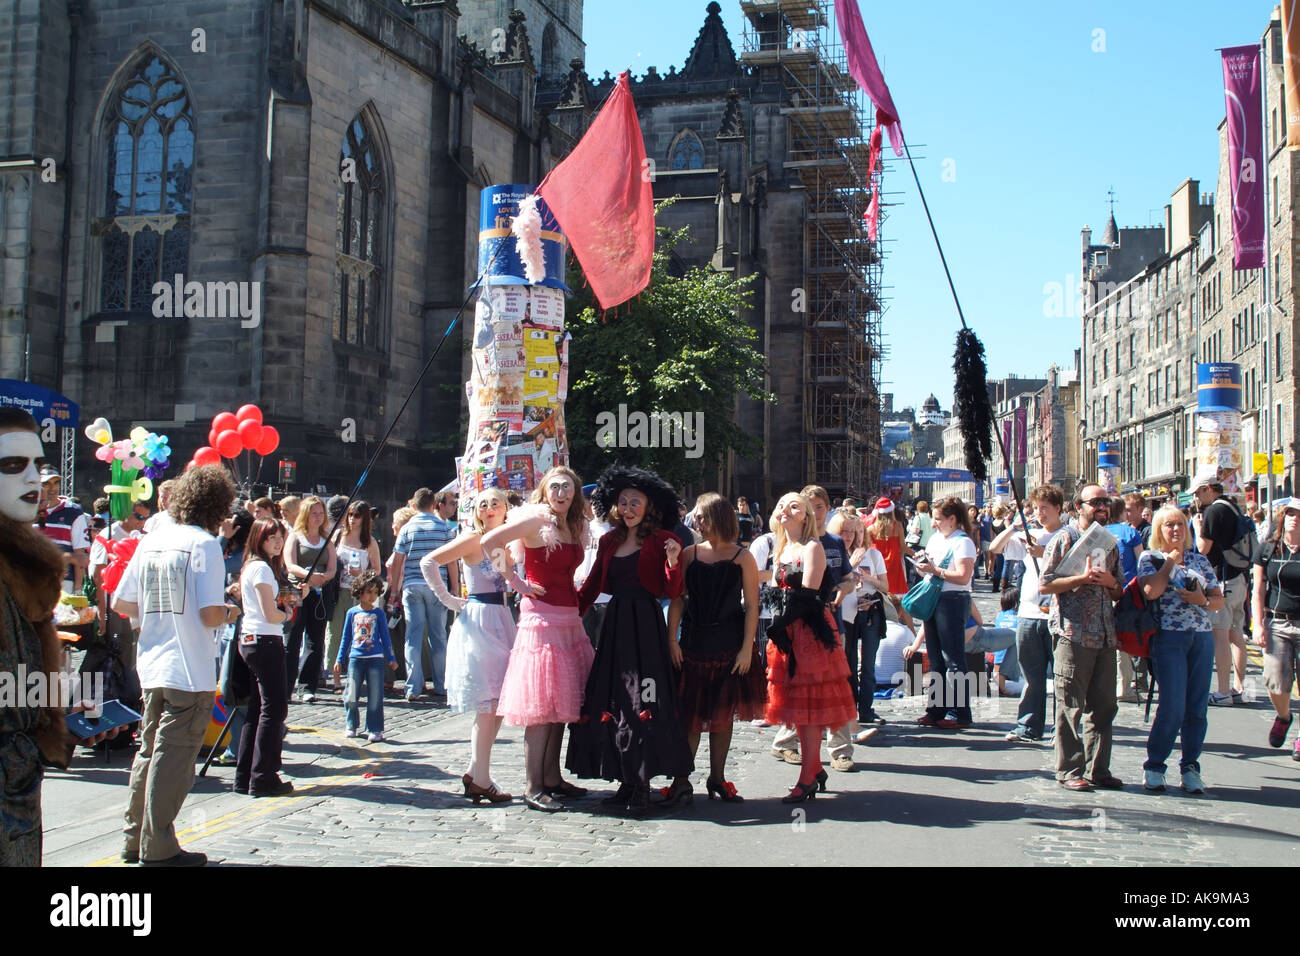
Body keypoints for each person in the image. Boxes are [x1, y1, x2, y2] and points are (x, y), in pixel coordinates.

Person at [113, 464, 240, 866]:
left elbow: (121, 603)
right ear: (217, 505)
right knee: (174, 757)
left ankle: (134, 839)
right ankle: (159, 845)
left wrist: (156, 615)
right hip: (189, 666)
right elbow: (208, 614)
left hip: (152, 661)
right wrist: (231, 611)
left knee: (149, 753)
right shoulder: (204, 545)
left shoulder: (153, 540)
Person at [567, 466, 689, 813]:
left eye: (636, 502)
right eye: (624, 502)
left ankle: (642, 781)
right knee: (617, 697)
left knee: (644, 696)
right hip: (616, 625)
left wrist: (672, 562)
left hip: (646, 629)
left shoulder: (665, 539)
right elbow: (590, 588)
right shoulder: (608, 541)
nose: (629, 507)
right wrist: (562, 613)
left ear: (650, 507)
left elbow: (673, 590)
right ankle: (625, 779)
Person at [0, 408, 89, 866]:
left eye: (37, 464)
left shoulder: (24, 558)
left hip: (17, 774)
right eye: (13, 465)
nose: (33, 478)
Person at [480, 466, 594, 813]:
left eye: (568, 488)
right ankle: (532, 786)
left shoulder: (574, 525)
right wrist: (517, 583)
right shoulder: (535, 521)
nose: (561, 493)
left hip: (569, 617)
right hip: (540, 618)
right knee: (542, 706)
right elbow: (490, 541)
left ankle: (552, 778)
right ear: (545, 491)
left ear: (575, 495)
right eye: (555, 487)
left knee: (562, 703)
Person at [420, 488, 516, 804]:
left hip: (502, 618)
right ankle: (483, 779)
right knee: (489, 705)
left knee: (499, 703)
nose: (489, 508)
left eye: (495, 503)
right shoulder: (473, 539)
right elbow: (429, 561)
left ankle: (476, 772)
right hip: (480, 620)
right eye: (482, 504)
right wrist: (448, 599)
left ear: (505, 508)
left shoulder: (506, 541)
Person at [666, 492, 764, 802]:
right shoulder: (689, 554)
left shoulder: (743, 557)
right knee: (690, 715)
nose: (696, 520)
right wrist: (672, 640)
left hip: (729, 642)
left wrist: (747, 648)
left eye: (703, 516)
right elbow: (678, 599)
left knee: (722, 716)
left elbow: (751, 606)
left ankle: (717, 778)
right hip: (694, 640)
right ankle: (682, 779)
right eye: (696, 515)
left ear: (719, 518)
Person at [763, 492, 857, 802]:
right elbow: (777, 592)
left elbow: (808, 596)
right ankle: (814, 768)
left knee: (811, 705)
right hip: (788, 633)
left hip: (810, 633)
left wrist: (780, 623)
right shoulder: (783, 549)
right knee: (798, 707)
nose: (786, 509)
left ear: (806, 516)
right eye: (782, 505)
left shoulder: (812, 547)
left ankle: (807, 777)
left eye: (794, 506)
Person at [1038, 484, 1123, 792]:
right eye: (1095, 502)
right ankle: (1070, 769)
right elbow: (1045, 585)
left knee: (1104, 706)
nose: (1102, 506)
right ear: (1078, 507)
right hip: (1072, 633)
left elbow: (1119, 589)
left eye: (1106, 502)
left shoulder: (1109, 543)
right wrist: (1081, 579)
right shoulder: (1064, 538)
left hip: (1103, 634)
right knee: (1070, 704)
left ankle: (1099, 768)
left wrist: (1111, 581)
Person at [1137, 506, 1223, 794]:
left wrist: (1202, 600)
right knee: (1172, 706)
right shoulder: (1151, 558)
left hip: (1201, 637)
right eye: (1169, 525)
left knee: (1197, 707)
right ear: (1158, 530)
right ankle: (1155, 766)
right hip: (1168, 637)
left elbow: (1217, 599)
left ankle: (1190, 766)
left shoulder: (1200, 560)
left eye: (1180, 525)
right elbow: (1151, 592)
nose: (1175, 530)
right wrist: (1169, 564)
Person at [993, 484, 1064, 744]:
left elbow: (1069, 563)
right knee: (1031, 674)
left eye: (1045, 508)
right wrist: (1014, 527)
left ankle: (1061, 729)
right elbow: (997, 548)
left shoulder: (1067, 535)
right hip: (1029, 612)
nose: (1040, 513)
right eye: (1036, 508)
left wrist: (1042, 553)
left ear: (1058, 508)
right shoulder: (1032, 534)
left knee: (1061, 677)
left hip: (1057, 614)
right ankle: (1029, 726)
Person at [235, 517, 299, 797]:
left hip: (253, 641)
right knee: (274, 710)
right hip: (264, 641)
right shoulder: (260, 569)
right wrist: (286, 614)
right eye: (271, 537)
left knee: (257, 710)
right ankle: (263, 776)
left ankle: (246, 775)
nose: (277, 542)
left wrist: (293, 597)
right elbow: (269, 613)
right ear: (258, 539)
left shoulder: (256, 567)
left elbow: (277, 598)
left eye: (280, 537)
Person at [387, 488, 457, 703]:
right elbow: (452, 560)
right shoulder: (444, 528)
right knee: (438, 636)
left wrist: (394, 591)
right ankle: (441, 684)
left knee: (413, 637)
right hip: (436, 585)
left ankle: (413, 686)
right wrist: (454, 588)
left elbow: (397, 561)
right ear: (434, 505)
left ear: (414, 506)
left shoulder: (407, 529)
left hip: (412, 585)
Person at [914, 497, 978, 729]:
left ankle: (959, 713)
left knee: (953, 659)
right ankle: (936, 709)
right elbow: (932, 571)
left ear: (953, 519)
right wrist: (924, 569)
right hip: (935, 598)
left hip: (952, 600)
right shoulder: (936, 540)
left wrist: (935, 570)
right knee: (936, 659)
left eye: (938, 519)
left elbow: (963, 576)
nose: (934, 523)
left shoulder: (963, 542)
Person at [1190, 475, 1252, 706]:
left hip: (1222, 580)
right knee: (1237, 634)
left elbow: (1203, 548)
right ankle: (1239, 688)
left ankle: (1223, 691)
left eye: (1198, 493)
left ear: (1209, 489)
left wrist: (1197, 527)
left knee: (1221, 635)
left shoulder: (1214, 512)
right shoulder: (1232, 506)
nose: (1196, 498)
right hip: (1239, 578)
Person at [828, 508, 889, 735]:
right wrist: (852, 565)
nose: (853, 536)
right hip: (843, 614)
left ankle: (863, 711)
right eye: (847, 531)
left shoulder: (873, 555)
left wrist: (866, 578)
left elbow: (886, 587)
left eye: (856, 532)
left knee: (867, 665)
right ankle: (848, 715)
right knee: (848, 666)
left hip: (867, 612)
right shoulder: (838, 554)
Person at [1252, 497, 1300, 760]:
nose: (1294, 518)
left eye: (1299, 514)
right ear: (1283, 517)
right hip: (1277, 622)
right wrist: (1257, 623)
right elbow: (1258, 589)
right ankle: (1284, 716)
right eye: (1291, 513)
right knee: (1276, 682)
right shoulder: (1268, 549)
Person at [283, 495, 338, 703]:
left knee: (315, 639)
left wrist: (323, 577)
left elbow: (332, 568)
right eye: (314, 513)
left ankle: (308, 685)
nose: (318, 517)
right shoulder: (295, 536)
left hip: (318, 592)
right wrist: (308, 576)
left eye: (320, 513)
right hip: (296, 590)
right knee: (292, 637)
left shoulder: (327, 540)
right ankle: (287, 684)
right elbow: (290, 564)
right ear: (306, 515)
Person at [334, 570, 397, 743]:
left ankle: (375, 728)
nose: (372, 596)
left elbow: (385, 637)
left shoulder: (379, 614)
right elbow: (345, 637)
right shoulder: (352, 613)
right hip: (356, 658)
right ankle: (351, 724)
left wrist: (391, 658)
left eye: (375, 593)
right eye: (369, 592)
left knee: (375, 695)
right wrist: (340, 658)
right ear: (359, 592)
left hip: (375, 658)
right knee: (351, 694)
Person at [326, 501, 382, 693]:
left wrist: (361, 573)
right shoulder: (338, 535)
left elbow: (377, 570)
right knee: (335, 634)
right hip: (338, 590)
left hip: (358, 594)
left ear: (364, 518)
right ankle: (335, 678)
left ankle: (355, 676)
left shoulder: (370, 542)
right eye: (349, 515)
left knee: (359, 635)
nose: (352, 519)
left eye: (356, 516)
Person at [1107, 498, 1146, 703]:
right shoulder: (1131, 533)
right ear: (1122, 512)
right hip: (1127, 592)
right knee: (1124, 637)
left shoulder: (1100, 531)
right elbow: (1142, 563)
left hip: (1104, 590)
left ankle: (1106, 683)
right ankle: (1123, 686)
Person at [34, 464, 90, 593]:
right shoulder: (29, 510)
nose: (52, 488)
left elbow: (79, 555)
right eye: (47, 483)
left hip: (65, 584)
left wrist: (77, 590)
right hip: (33, 580)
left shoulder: (73, 512)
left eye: (56, 483)